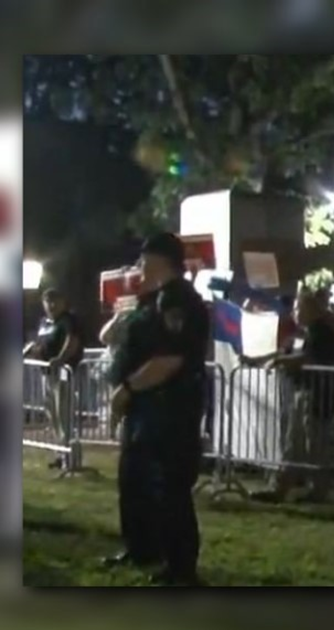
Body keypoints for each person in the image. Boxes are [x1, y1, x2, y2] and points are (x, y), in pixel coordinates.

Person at [102, 233, 209, 585]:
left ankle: (180, 567)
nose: (139, 268)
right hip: (146, 409)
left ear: (161, 260)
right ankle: (141, 548)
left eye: (144, 260)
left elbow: (171, 358)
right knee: (134, 481)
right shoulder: (153, 299)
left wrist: (128, 388)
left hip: (169, 409)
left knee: (169, 487)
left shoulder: (178, 299)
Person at [248, 289, 334, 502]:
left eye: (299, 307)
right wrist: (255, 360)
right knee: (293, 443)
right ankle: (281, 488)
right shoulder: (302, 332)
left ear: (311, 309)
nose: (295, 312)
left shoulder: (321, 332)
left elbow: (307, 358)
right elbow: (284, 352)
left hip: (318, 394)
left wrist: (280, 362)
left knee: (315, 444)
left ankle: (318, 490)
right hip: (301, 392)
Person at [24, 288, 83, 469]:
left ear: (64, 301)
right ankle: (60, 453)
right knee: (53, 416)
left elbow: (72, 341)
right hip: (47, 374)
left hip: (63, 374)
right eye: (47, 301)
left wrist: (61, 359)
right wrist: (32, 350)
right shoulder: (45, 322)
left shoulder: (68, 320)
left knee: (64, 416)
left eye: (55, 300)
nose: (51, 305)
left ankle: (70, 457)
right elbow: (43, 344)